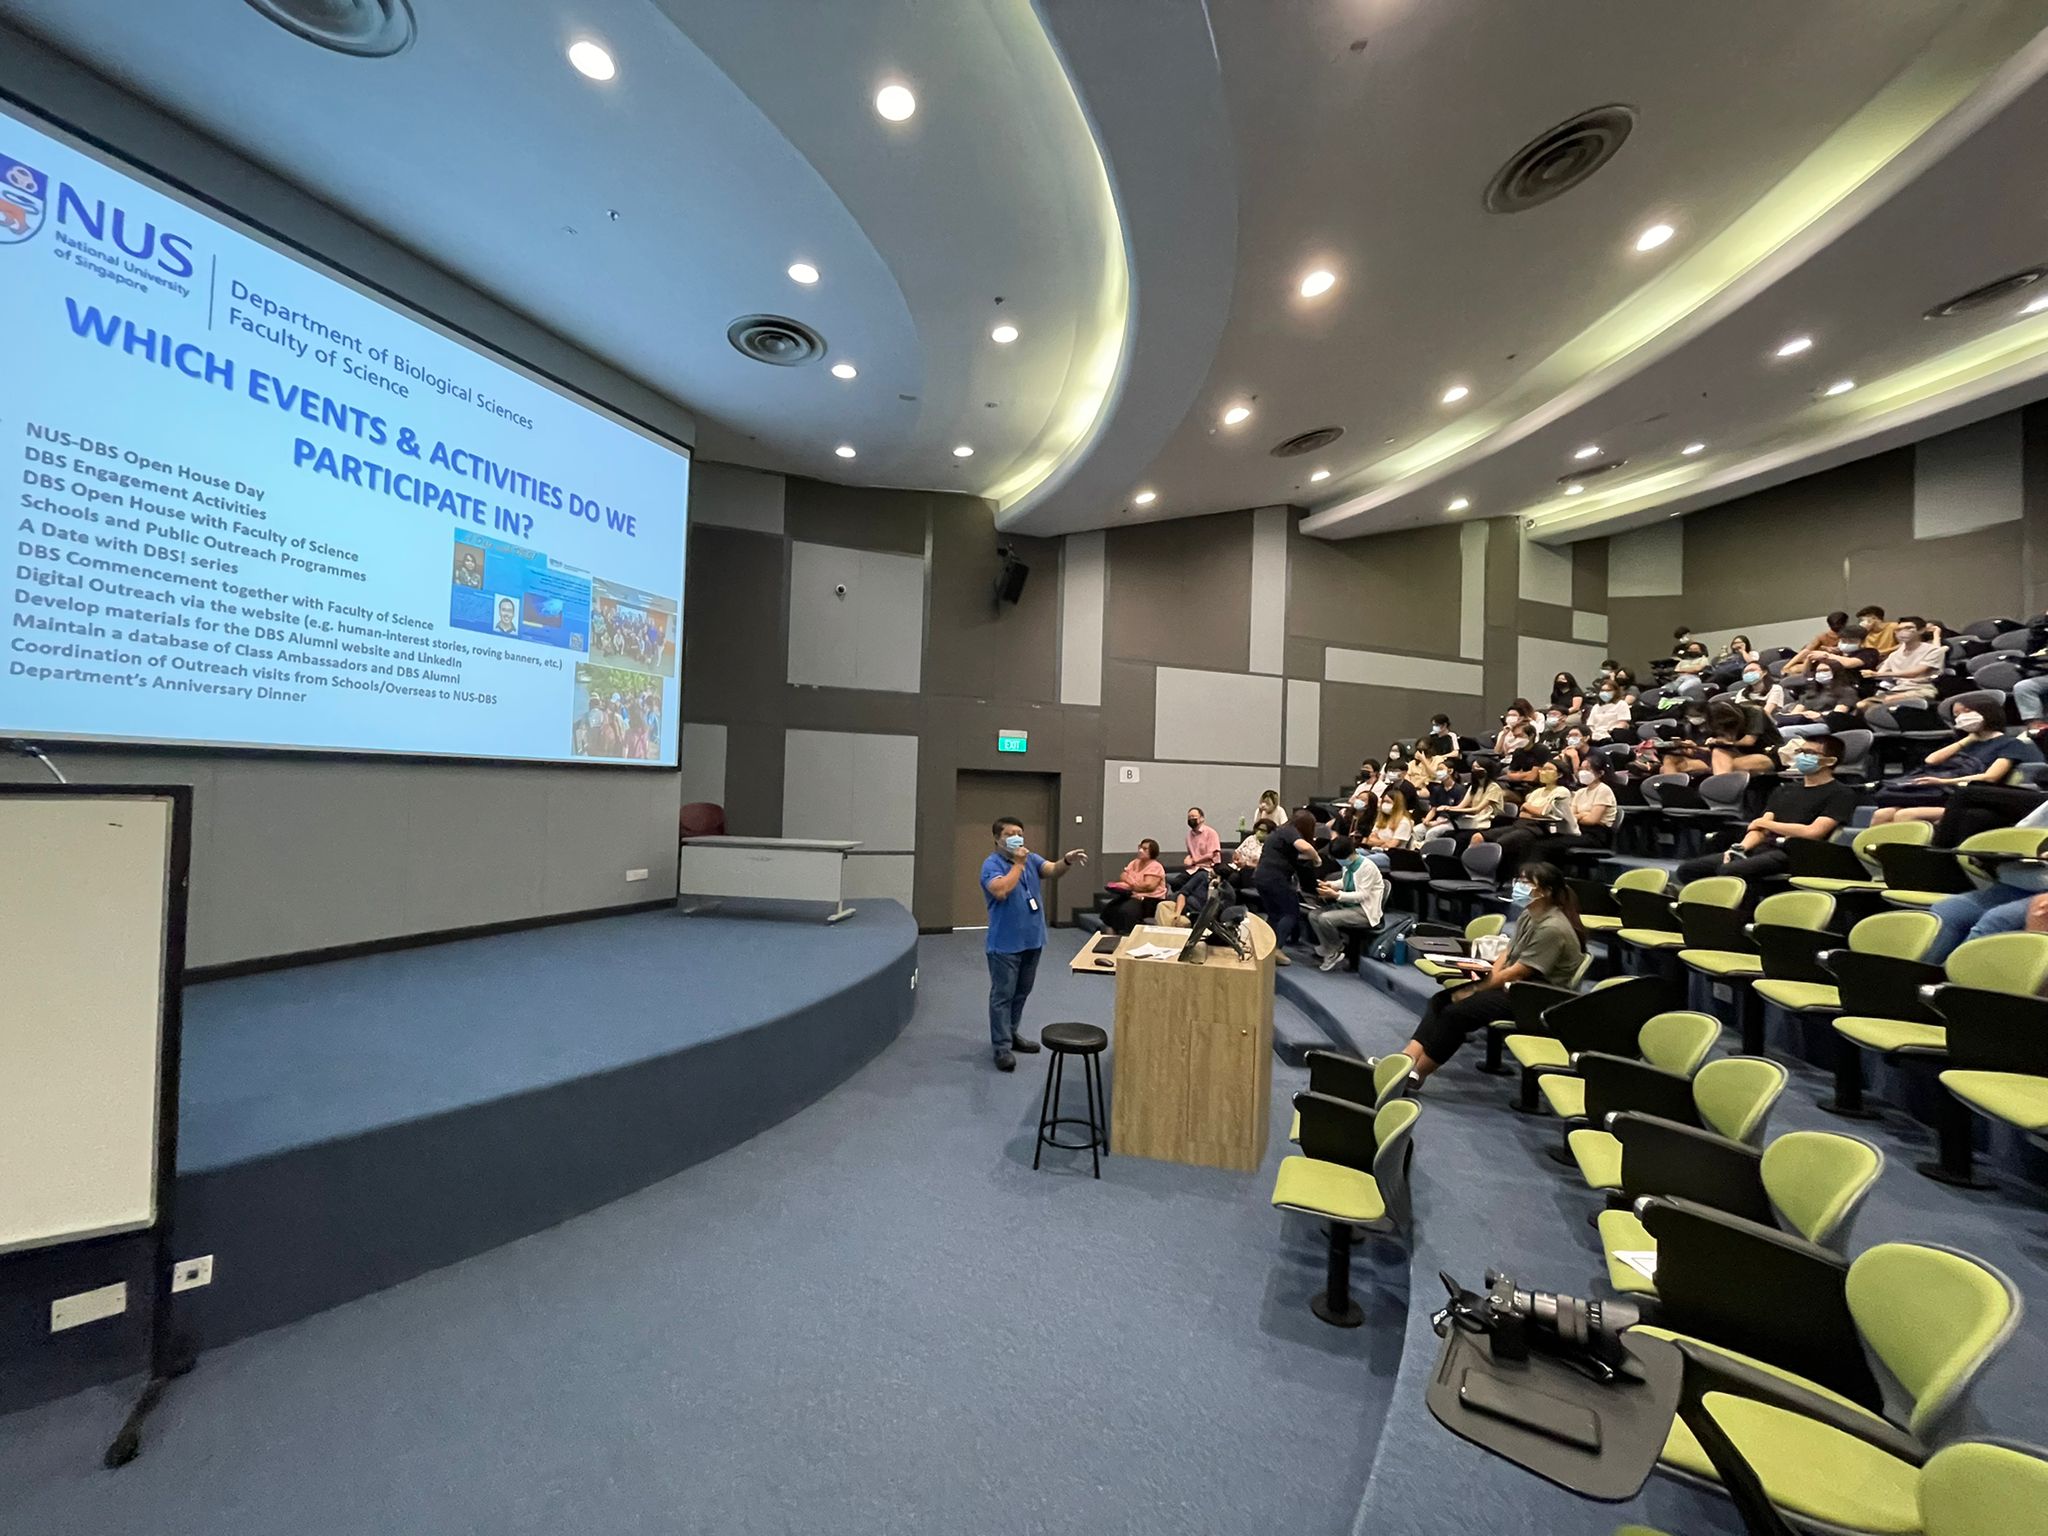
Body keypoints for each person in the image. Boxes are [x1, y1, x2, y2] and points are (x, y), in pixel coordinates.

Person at [1387, 862, 1584, 1083]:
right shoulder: (1529, 914)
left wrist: (1476, 989)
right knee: (1440, 1000)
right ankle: (1405, 1060)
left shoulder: (1552, 928)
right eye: (1519, 880)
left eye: (1526, 883)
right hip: (1516, 986)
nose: (1519, 886)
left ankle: (1417, 1074)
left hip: (1536, 997)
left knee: (1455, 1014)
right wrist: (1490, 976)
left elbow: (1517, 973)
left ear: (1546, 891)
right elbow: (1507, 952)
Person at [980, 818, 1088, 1071]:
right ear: (997, 838)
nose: (1017, 837)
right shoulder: (991, 864)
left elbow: (1051, 870)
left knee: (1021, 992)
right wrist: (1018, 864)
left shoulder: (1032, 858)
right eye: (1010, 834)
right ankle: (1001, 1047)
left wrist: (1067, 861)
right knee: (1003, 995)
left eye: (1020, 833)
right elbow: (1000, 891)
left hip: (1032, 940)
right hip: (1005, 944)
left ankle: (1012, 1033)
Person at [1674, 735, 1858, 882]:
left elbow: (1812, 832)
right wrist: (1740, 849)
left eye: (1809, 753)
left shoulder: (1841, 793)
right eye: (1800, 751)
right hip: (1762, 848)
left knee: (1729, 871)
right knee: (1689, 870)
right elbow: (1759, 828)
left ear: (1830, 761)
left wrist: (1767, 824)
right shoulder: (1784, 789)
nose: (1801, 756)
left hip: (1795, 853)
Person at [1869, 701, 2042, 825]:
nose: (1961, 717)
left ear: (1987, 713)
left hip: (1964, 796)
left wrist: (1942, 781)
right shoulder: (1963, 743)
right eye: (1956, 715)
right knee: (1882, 814)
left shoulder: (2010, 743)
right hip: (1936, 794)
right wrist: (1967, 740)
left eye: (1966, 711)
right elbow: (1931, 760)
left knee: (1906, 815)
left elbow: (1990, 777)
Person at [1474, 758, 1572, 879]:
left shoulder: (1562, 791)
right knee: (1478, 837)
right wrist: (1531, 810)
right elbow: (1522, 813)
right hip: (1520, 824)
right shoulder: (1536, 792)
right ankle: (1475, 874)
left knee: (1502, 842)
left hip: (1538, 828)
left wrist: (1528, 807)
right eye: (1542, 769)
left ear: (1560, 774)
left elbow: (1542, 812)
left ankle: (1498, 878)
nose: (1543, 772)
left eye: (1548, 769)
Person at [1308, 837, 1387, 971]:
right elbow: (1345, 881)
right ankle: (1329, 948)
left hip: (1364, 911)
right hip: (1348, 906)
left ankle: (1335, 950)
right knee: (1313, 915)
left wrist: (1336, 895)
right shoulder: (1349, 864)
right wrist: (1330, 885)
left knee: (1325, 919)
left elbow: (1362, 895)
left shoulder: (1367, 867)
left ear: (1350, 854)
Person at [1256, 810, 1322, 953]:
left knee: (1274, 915)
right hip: (1275, 878)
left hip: (1261, 876)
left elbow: (1292, 856)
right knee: (1290, 913)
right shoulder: (1290, 831)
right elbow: (1305, 847)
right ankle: (1276, 949)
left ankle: (1265, 947)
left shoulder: (1278, 832)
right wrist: (1317, 858)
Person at [1858, 619, 1946, 710]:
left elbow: (1915, 673)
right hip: (1897, 689)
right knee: (1862, 705)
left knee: (1888, 701)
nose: (1903, 632)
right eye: (1898, 629)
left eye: (1908, 628)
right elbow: (1880, 674)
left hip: (1921, 689)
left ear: (1921, 630)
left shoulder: (1932, 650)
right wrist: (1869, 673)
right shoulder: (1894, 655)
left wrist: (1877, 674)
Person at [1698, 696, 1781, 777]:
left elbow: (1749, 741)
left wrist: (1728, 742)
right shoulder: (1714, 721)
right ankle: (1722, 781)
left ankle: (1721, 780)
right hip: (1739, 753)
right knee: (1718, 752)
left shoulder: (1754, 712)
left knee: (1726, 767)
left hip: (1768, 753)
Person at [1102, 839, 1169, 934]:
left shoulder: (1156, 866)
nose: (1141, 851)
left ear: (1152, 851)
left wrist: (1131, 884)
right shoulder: (1135, 862)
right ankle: (1112, 936)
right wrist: (1134, 884)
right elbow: (1123, 875)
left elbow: (1149, 886)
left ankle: (1130, 935)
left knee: (1127, 911)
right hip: (1133, 895)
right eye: (1140, 847)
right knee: (1110, 909)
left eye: (1145, 849)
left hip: (1150, 900)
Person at [1361, 785, 1419, 868]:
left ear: (1397, 804)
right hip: (1376, 851)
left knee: (1363, 861)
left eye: (1388, 802)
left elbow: (1392, 845)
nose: (1384, 804)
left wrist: (1378, 841)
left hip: (1392, 856)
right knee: (1353, 854)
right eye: (1384, 801)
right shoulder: (1381, 820)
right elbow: (1369, 841)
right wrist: (1385, 841)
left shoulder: (1404, 822)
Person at [1783, 611, 1852, 676]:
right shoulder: (1823, 636)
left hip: (1840, 662)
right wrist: (1825, 648)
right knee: (1795, 668)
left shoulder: (1849, 636)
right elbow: (1806, 651)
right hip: (1822, 661)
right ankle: (1787, 669)